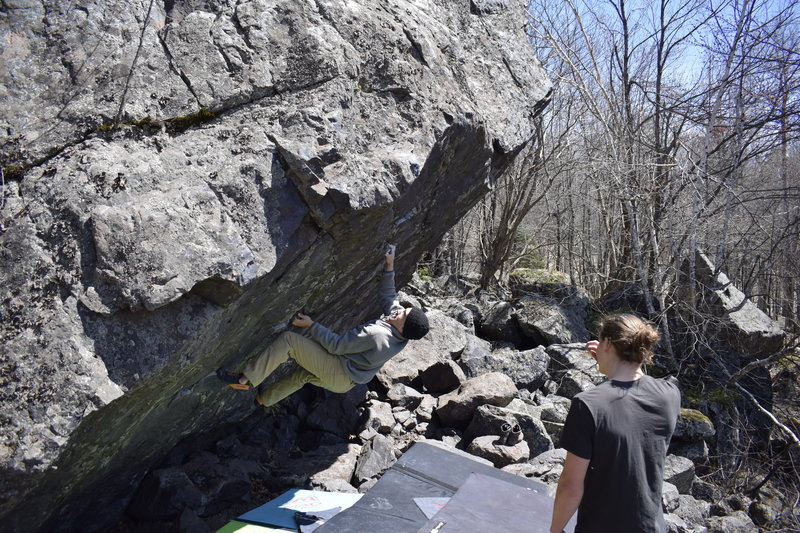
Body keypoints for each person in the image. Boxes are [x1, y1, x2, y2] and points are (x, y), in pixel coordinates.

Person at [217, 244, 429, 407]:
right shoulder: (399, 326)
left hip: (340, 372)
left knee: (290, 341)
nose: (400, 310)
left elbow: (337, 346)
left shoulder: (378, 335)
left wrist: (312, 325)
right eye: (404, 308)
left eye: (403, 314)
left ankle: (247, 378)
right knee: (303, 375)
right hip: (346, 379)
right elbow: (389, 296)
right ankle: (264, 401)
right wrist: (389, 265)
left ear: (402, 328)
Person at [549, 313, 681, 533]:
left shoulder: (587, 405)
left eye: (601, 341)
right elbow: (632, 397)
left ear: (607, 344)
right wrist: (609, 362)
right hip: (651, 526)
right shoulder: (670, 395)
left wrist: (556, 530)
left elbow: (570, 487)